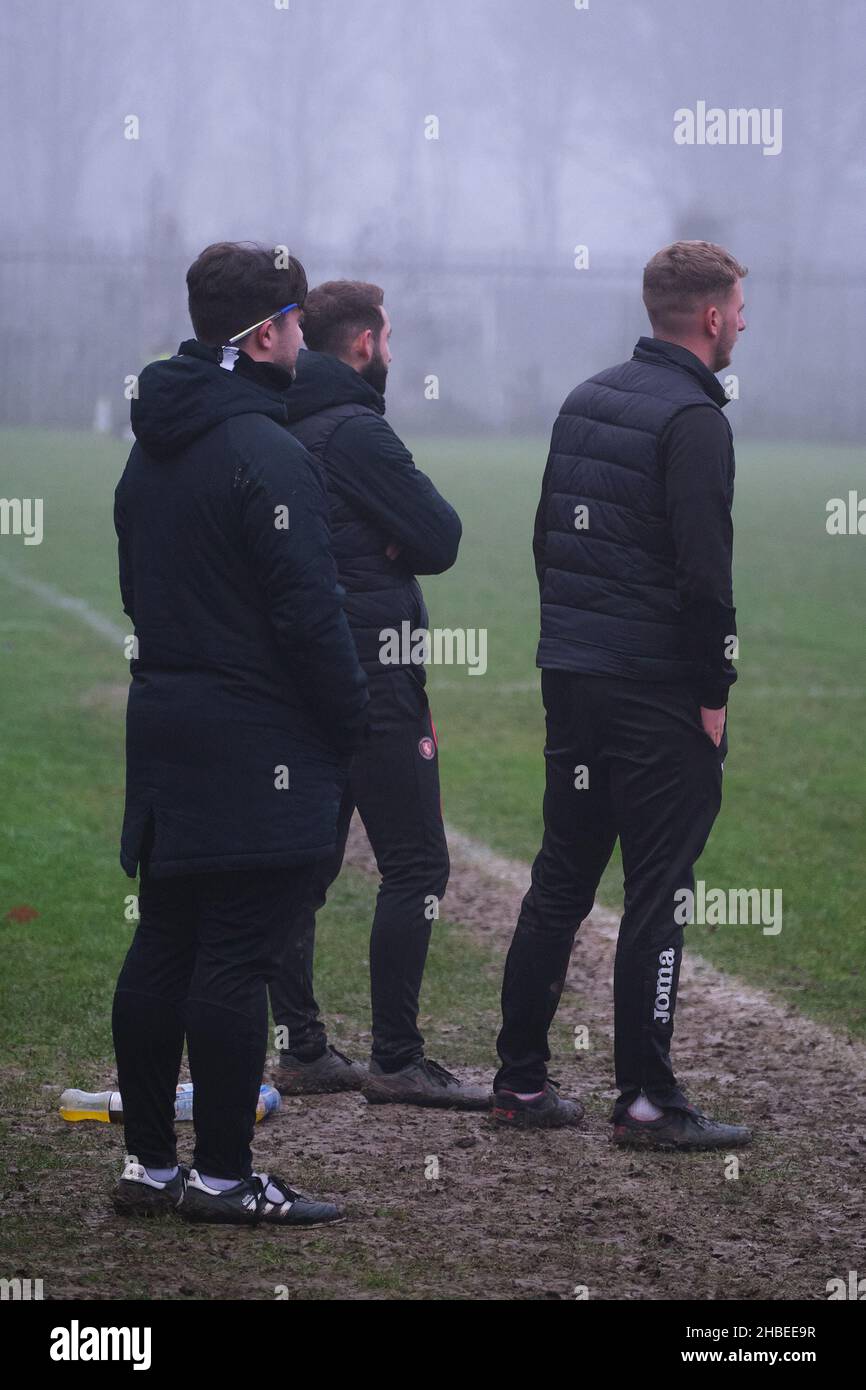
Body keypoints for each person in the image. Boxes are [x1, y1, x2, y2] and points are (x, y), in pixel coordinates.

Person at [111, 242, 369, 1224]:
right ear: (263, 334)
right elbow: (311, 616)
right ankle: (222, 1176)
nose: (303, 338)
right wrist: (349, 725)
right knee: (234, 955)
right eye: (296, 322)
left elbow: (139, 589)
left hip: (165, 719)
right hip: (254, 738)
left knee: (165, 942)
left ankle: (146, 1166)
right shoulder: (269, 452)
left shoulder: (152, 445)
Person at [492, 241, 753, 1149]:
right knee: (659, 892)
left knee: (561, 878)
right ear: (712, 316)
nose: (744, 322)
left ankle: (520, 1084)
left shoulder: (585, 398)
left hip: (575, 678)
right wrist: (712, 689)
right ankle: (646, 1101)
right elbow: (705, 576)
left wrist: (569, 644)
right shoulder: (696, 420)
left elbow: (544, 539)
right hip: (653, 693)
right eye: (739, 307)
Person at [267, 281, 486, 1109]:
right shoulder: (358, 431)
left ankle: (304, 1048)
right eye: (388, 336)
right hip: (377, 676)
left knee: (304, 870)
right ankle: (396, 1059)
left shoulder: (277, 425)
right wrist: (395, 541)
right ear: (362, 344)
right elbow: (442, 536)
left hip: (299, 681)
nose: (393, 350)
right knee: (418, 864)